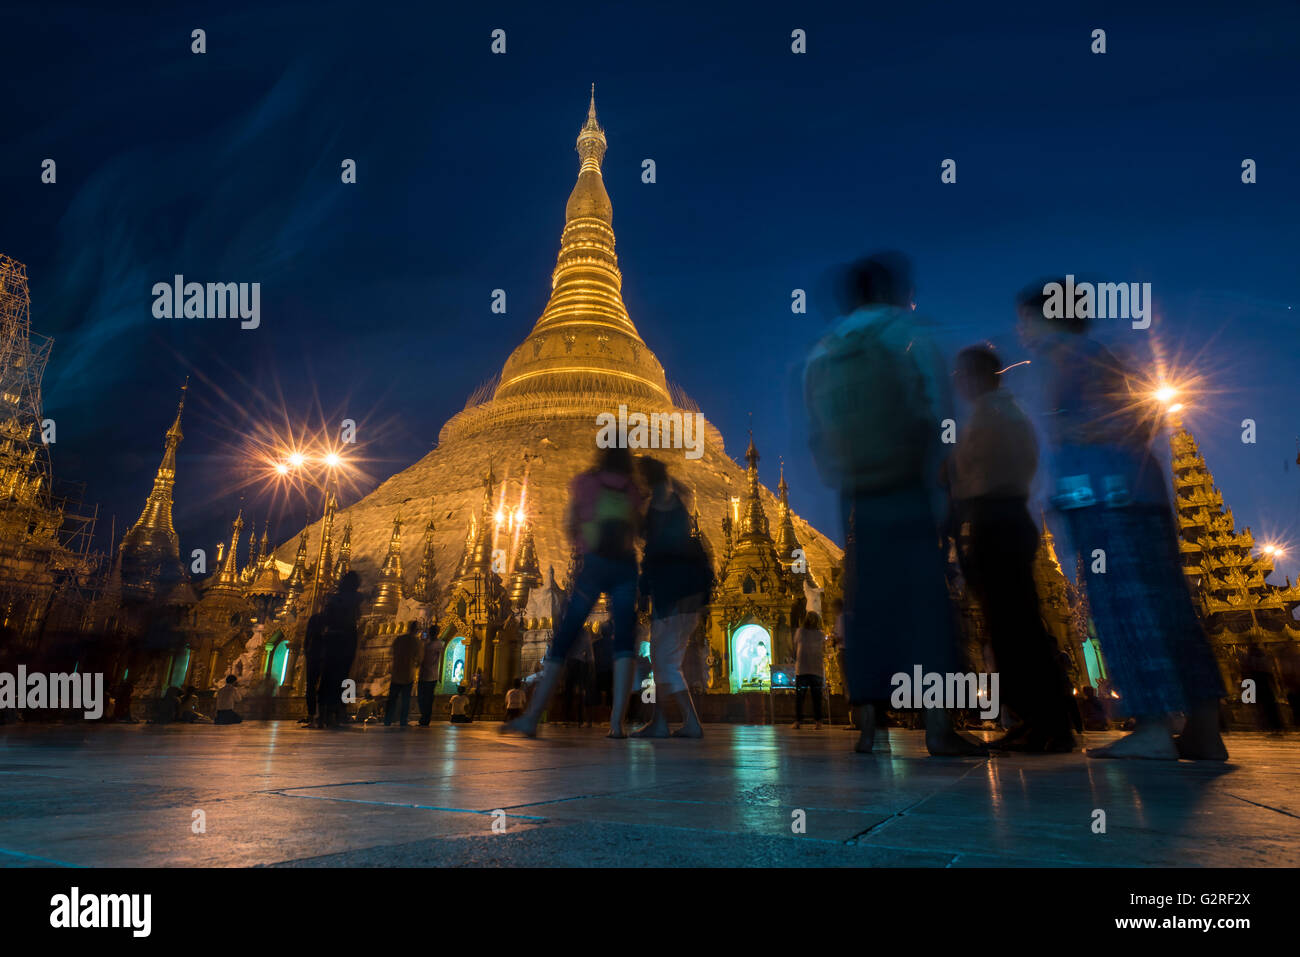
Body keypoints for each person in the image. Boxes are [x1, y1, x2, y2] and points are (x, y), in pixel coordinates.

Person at [1017, 279, 1226, 760]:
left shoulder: (1067, 361)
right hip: (1143, 493)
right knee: (1171, 608)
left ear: (1049, 316)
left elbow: (1094, 425)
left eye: (1026, 317)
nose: (1020, 329)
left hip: (1106, 500)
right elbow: (1141, 421)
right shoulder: (1102, 353)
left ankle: (1152, 728)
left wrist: (1068, 472)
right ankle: (1205, 728)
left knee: (1126, 608)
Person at [803, 252, 985, 756]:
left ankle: (867, 726)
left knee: (867, 606)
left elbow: (819, 436)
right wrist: (947, 481)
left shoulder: (826, 350)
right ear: (889, 292)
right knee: (924, 603)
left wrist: (847, 473)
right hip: (909, 484)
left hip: (859, 491)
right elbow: (940, 413)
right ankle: (939, 728)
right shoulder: (908, 335)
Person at [944, 344, 1075, 752]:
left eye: (962, 375)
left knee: (1015, 628)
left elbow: (971, 472)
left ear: (978, 377)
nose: (958, 384)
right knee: (1013, 627)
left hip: (996, 520)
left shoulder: (992, 415)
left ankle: (1048, 724)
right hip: (1006, 519)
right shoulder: (1006, 411)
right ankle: (1038, 719)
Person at [503, 444, 643, 738]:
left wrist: (583, 543)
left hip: (593, 565)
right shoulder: (632, 488)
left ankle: (531, 717)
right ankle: (617, 722)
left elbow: (571, 523)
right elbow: (638, 529)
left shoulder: (586, 483)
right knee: (624, 644)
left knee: (565, 637)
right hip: (625, 567)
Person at [632, 456, 711, 739]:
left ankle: (689, 722)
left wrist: (643, 587)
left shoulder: (659, 507)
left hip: (673, 596)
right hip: (685, 595)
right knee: (664, 660)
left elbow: (654, 552)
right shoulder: (671, 502)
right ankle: (661, 722)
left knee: (664, 662)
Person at [318, 571, 363, 728]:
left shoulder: (334, 599)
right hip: (347, 638)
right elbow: (357, 614)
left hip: (332, 639)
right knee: (347, 677)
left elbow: (326, 619)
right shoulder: (355, 598)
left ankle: (323, 713)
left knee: (328, 677)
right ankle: (341, 711)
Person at [792, 612, 827, 730]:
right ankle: (818, 722)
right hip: (815, 668)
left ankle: (798, 721)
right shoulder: (820, 634)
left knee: (800, 697)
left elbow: (795, 646)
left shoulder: (800, 632)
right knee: (816, 697)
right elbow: (824, 649)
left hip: (803, 668)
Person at [385, 620, 421, 727]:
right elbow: (419, 659)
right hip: (408, 675)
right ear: (416, 630)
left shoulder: (399, 639)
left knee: (392, 699)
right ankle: (403, 720)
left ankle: (388, 719)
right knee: (405, 700)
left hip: (396, 673)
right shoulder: (416, 642)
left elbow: (391, 653)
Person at [301, 610, 325, 728]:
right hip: (318, 656)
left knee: (313, 687)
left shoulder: (325, 621)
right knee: (315, 687)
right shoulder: (323, 621)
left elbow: (306, 640)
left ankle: (315, 716)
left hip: (315, 656)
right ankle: (317, 716)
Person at [417, 625, 445, 727]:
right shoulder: (426, 643)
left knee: (428, 699)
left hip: (431, 675)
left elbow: (437, 658)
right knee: (421, 698)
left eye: (433, 631)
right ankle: (423, 716)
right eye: (431, 631)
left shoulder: (438, 644)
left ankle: (425, 719)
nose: (431, 633)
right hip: (423, 674)